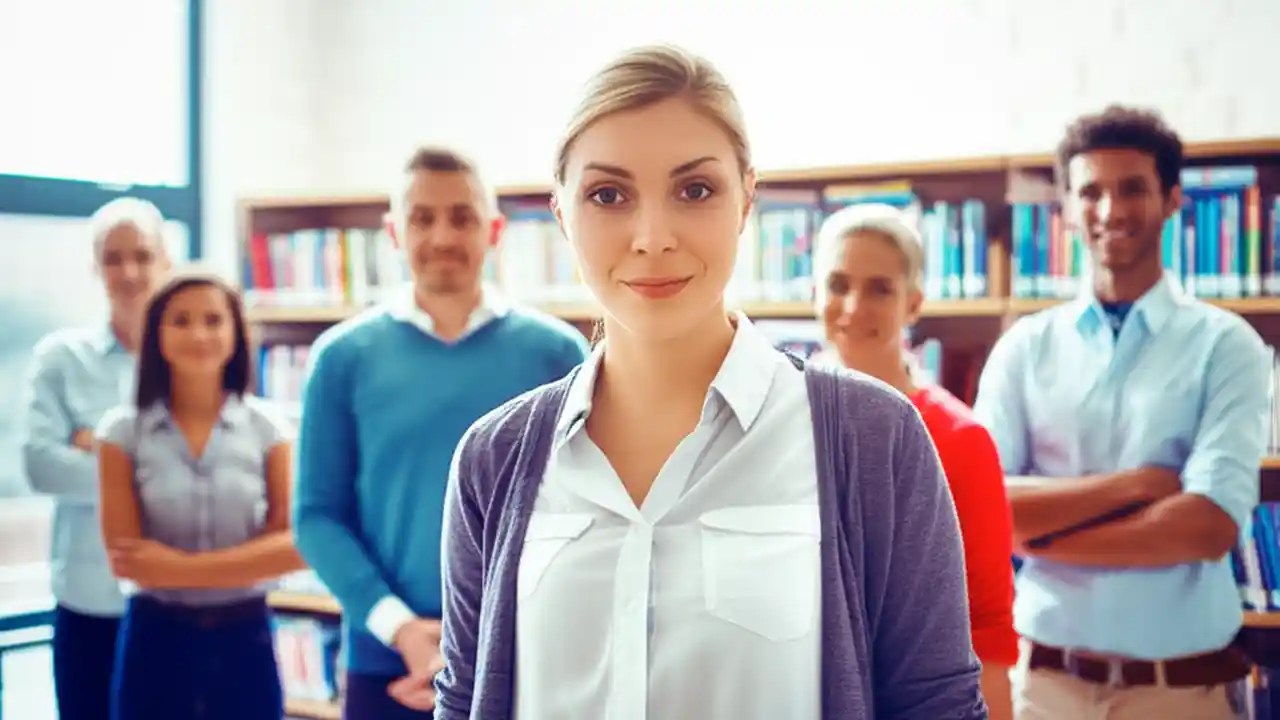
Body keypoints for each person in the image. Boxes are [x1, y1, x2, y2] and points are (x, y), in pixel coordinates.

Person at [434, 44, 986, 720]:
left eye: (695, 190)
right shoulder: (492, 459)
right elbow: (463, 698)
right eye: (608, 195)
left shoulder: (874, 438)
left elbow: (937, 705)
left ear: (746, 199)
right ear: (560, 215)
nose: (653, 237)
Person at [973, 105, 1269, 719]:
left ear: (1172, 200)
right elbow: (983, 511)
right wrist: (1140, 486)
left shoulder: (1227, 345)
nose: (1110, 210)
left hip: (1177, 692)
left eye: (1133, 189)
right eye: (1091, 192)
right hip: (1043, 689)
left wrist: (1038, 537)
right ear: (1066, 208)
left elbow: (1207, 528)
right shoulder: (1024, 349)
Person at [293, 145, 590, 719]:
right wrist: (402, 630)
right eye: (422, 218)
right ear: (394, 233)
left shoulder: (557, 354)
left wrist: (492, 630)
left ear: (494, 230)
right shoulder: (341, 359)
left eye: (462, 217)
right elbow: (316, 516)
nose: (443, 236)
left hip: (522, 649)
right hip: (385, 657)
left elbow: (582, 506)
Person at [812, 202, 1019, 719]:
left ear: (913, 304)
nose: (853, 307)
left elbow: (987, 627)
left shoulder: (961, 439)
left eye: (880, 289)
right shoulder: (770, 419)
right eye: (838, 284)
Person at [95, 270, 305, 720]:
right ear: (157, 333)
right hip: (155, 635)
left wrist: (175, 568)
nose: (198, 334)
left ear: (236, 332)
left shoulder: (269, 429)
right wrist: (248, 562)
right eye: (181, 320)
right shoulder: (121, 432)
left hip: (245, 636)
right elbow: (127, 558)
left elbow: (293, 547)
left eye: (213, 320)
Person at [21, 197, 171, 720]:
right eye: (112, 258)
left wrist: (97, 447)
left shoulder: (192, 357)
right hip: (88, 605)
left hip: (174, 604)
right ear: (95, 266)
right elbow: (40, 465)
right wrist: (150, 468)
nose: (128, 272)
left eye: (142, 255)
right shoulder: (61, 359)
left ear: (165, 261)